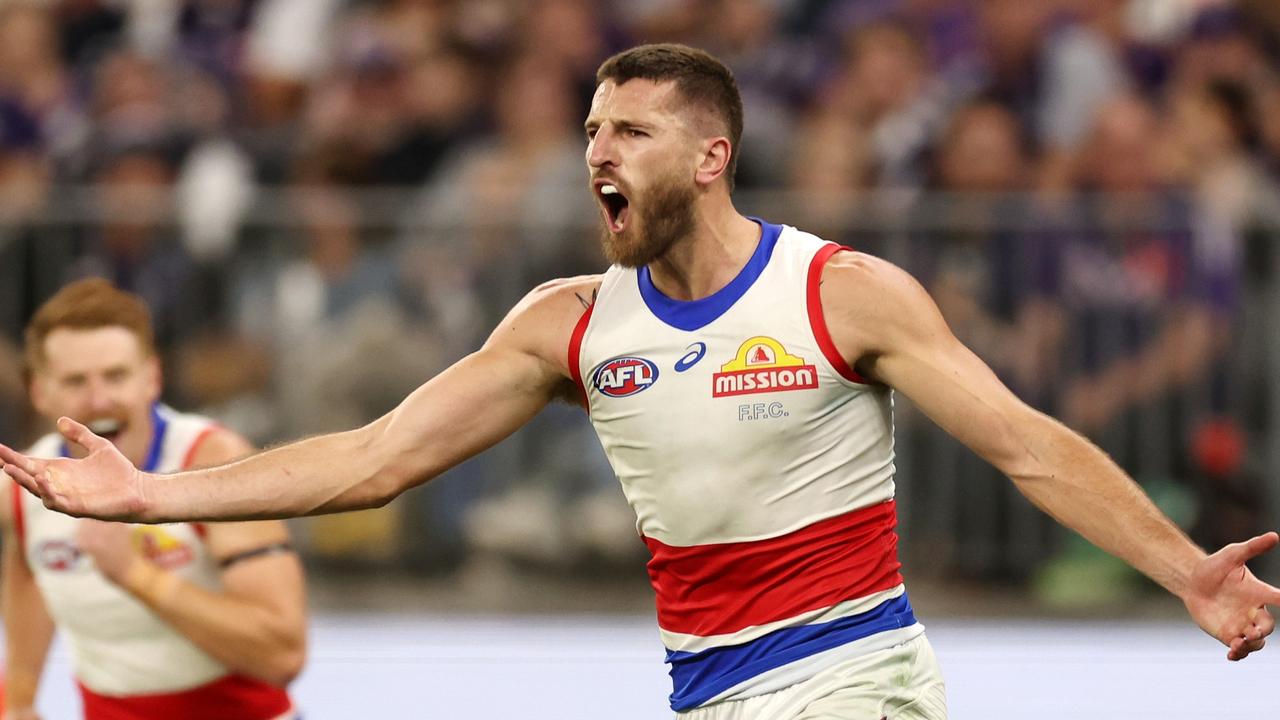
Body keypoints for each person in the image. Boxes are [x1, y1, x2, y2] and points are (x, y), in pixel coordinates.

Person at [3, 44, 1279, 720]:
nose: (595, 156)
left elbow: (1022, 444)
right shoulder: (567, 325)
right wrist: (147, 495)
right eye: (588, 135)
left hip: (852, 676)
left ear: (711, 155)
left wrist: (1186, 571)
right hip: (705, 689)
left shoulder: (840, 293)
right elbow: (370, 458)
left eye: (628, 132)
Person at [1, 279, 307, 720]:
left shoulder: (213, 463)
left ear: (153, 378)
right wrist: (21, 700)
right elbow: (28, 573)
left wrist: (136, 576)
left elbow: (282, 655)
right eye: (75, 381)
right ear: (40, 392)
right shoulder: (26, 483)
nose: (100, 399)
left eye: (116, 375)